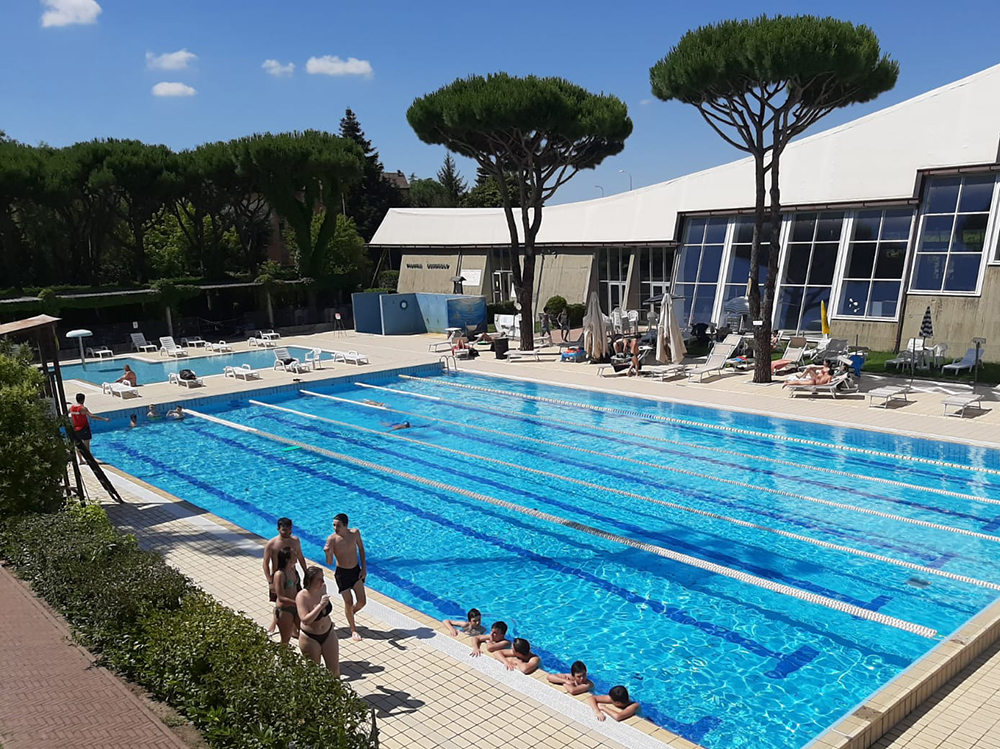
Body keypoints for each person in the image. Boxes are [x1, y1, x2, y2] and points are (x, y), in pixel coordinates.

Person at [324, 513, 367, 642]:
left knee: (362, 602)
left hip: (355, 571)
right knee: (348, 602)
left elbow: (361, 549)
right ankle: (353, 630)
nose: (335, 528)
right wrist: (327, 553)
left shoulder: (355, 533)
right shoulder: (332, 539)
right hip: (342, 574)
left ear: (346, 525)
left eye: (337, 526)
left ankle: (350, 614)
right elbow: (329, 562)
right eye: (333, 525)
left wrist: (364, 568)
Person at [262, 518, 308, 638]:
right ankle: (276, 621)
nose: (287, 532)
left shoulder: (295, 541)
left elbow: (301, 558)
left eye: (289, 529)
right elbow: (265, 563)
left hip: (292, 574)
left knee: (294, 597)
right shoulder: (272, 544)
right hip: (277, 576)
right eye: (284, 530)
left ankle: (292, 627)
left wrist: (306, 573)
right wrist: (270, 581)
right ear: (278, 529)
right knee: (279, 601)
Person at [296, 566, 339, 676]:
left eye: (323, 578)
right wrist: (320, 606)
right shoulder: (302, 596)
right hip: (310, 637)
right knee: (314, 673)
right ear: (310, 580)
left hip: (328, 633)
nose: (323, 581)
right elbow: (305, 620)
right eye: (319, 579)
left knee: (334, 670)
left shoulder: (323, 588)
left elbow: (325, 612)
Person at [271, 547, 301, 645]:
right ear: (287, 559)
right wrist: (298, 603)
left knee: (304, 634)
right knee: (285, 639)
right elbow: (281, 597)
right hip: (285, 610)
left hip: (296, 607)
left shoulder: (293, 570)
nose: (297, 556)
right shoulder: (280, 574)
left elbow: (298, 588)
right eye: (294, 555)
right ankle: (283, 659)